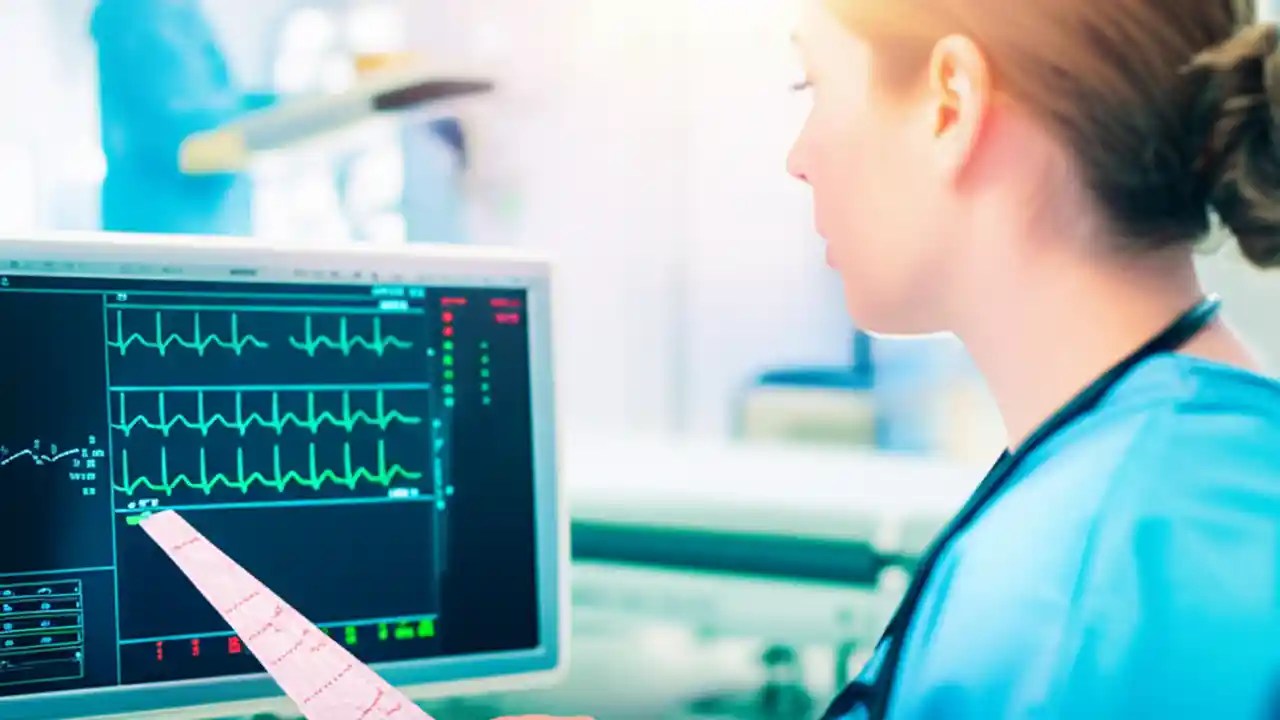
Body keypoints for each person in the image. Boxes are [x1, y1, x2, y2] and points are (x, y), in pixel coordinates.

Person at [501, 0, 1280, 717]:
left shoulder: (1073, 592)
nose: (798, 158)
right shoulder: (1192, 461)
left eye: (814, 83)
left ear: (951, 104)